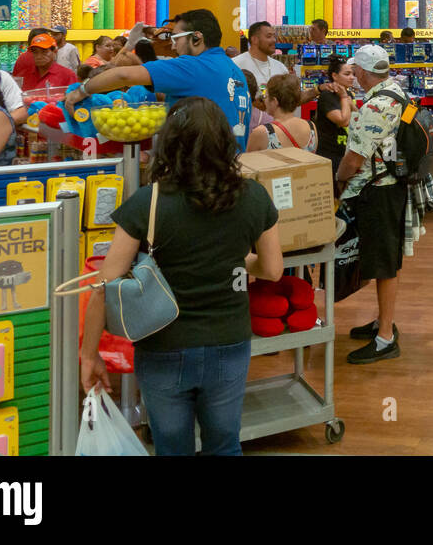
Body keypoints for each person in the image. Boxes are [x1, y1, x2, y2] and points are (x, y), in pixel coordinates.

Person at [79, 97, 283, 456]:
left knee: (172, 447)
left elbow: (104, 286)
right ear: (225, 142)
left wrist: (89, 354)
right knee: (225, 444)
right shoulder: (253, 196)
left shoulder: (148, 202)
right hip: (229, 341)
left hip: (162, 346)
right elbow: (272, 269)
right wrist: (238, 260)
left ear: (168, 143)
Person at [65, 8, 252, 149]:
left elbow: (122, 75)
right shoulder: (234, 70)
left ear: (196, 38)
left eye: (176, 38)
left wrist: (81, 91)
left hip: (198, 179)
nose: (173, 47)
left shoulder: (192, 66)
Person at [334, 45, 408, 363]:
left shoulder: (375, 106)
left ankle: (385, 338)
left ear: (363, 72)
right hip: (394, 185)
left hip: (375, 191)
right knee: (385, 260)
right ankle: (384, 322)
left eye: (356, 72)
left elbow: (353, 160)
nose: (354, 77)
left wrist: (337, 184)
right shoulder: (399, 93)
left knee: (382, 263)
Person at [246, 74, 317, 153]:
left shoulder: (262, 132)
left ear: (274, 101)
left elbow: (247, 161)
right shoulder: (311, 127)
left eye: (266, 97)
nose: (264, 101)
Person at [311, 54, 354, 172]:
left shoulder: (348, 94)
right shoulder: (327, 96)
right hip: (330, 156)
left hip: (345, 151)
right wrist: (344, 98)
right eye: (347, 74)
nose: (352, 77)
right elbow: (343, 121)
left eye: (352, 74)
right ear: (334, 76)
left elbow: (357, 117)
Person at [11, 32, 79, 93]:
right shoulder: (24, 75)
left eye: (44, 51)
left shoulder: (67, 76)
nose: (39, 56)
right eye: (35, 52)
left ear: (54, 51)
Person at [234, 21, 289, 91]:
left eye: (274, 36)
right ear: (254, 39)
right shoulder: (235, 65)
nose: (274, 40)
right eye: (269, 36)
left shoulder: (281, 68)